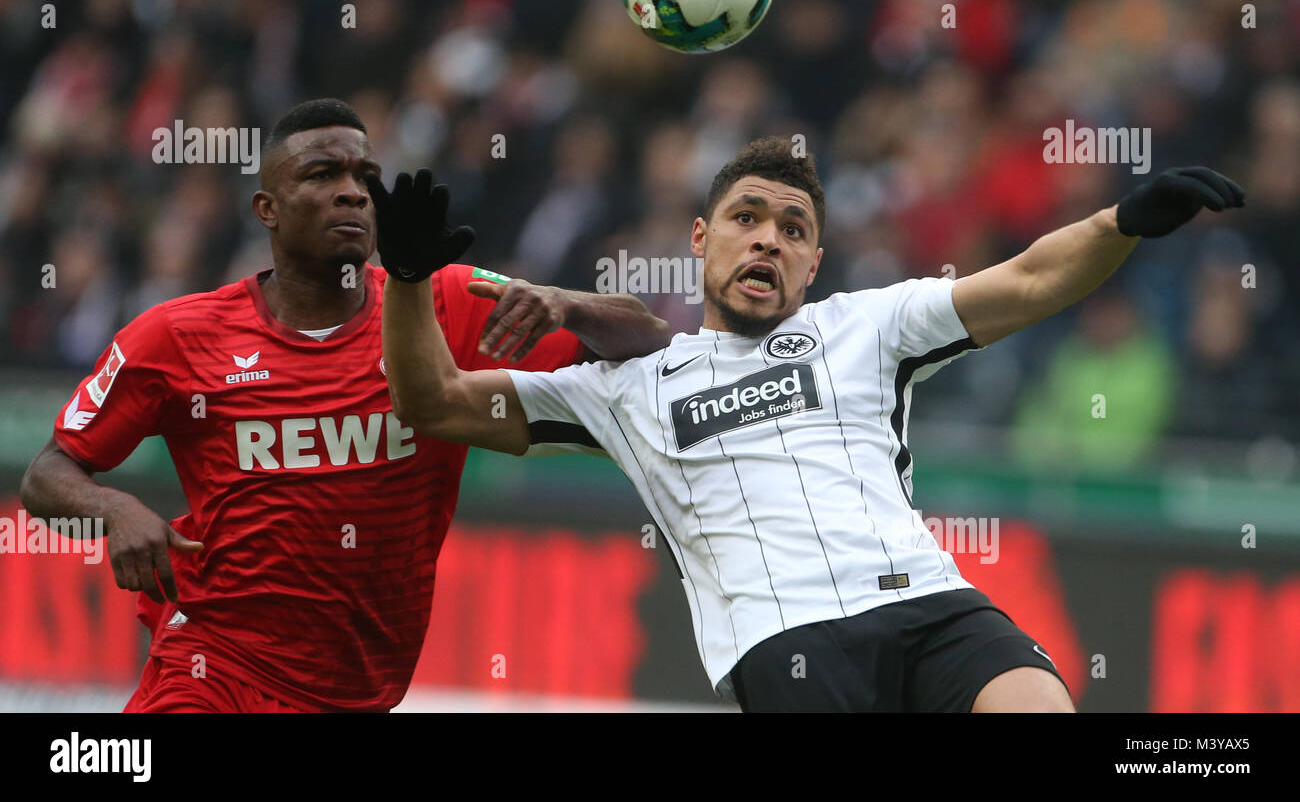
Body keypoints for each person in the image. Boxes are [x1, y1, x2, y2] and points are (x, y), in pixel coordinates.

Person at [370, 135, 1245, 712]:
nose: (768, 240)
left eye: (793, 229)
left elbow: (1023, 282)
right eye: (747, 219)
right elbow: (433, 400)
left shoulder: (867, 325)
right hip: (785, 642)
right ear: (701, 237)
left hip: (926, 601)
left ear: (814, 261)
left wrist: (1119, 221)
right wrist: (407, 279)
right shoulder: (621, 390)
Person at [19, 98, 671, 712]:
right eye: (323, 173)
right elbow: (48, 473)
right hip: (216, 668)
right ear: (267, 209)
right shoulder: (176, 336)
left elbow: (651, 344)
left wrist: (571, 304)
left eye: (365, 175)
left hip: (360, 689)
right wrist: (114, 507)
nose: (353, 190)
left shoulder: (439, 303)